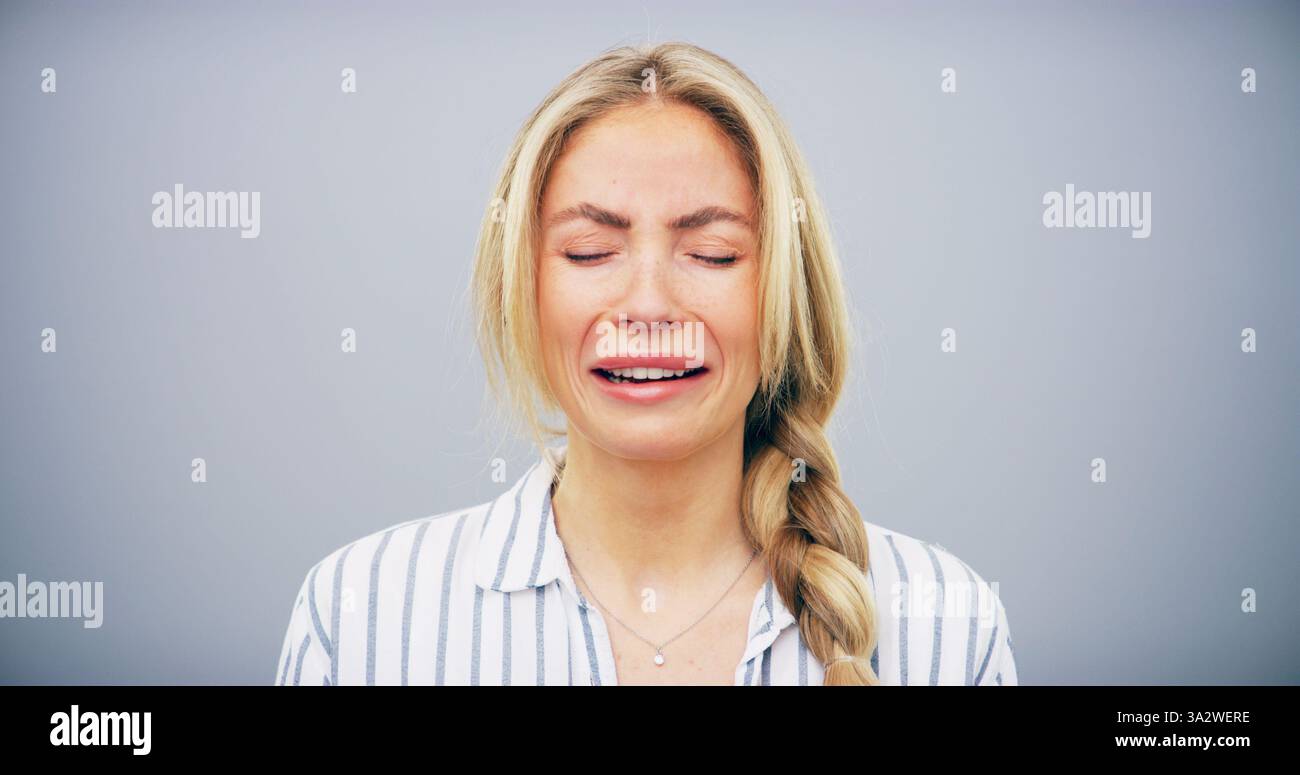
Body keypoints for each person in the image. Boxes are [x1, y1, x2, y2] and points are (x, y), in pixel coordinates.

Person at [275, 41, 1017, 686]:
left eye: (712, 253)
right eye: (590, 252)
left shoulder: (949, 627)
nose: (649, 304)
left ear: (784, 298)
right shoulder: (360, 614)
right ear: (523, 292)